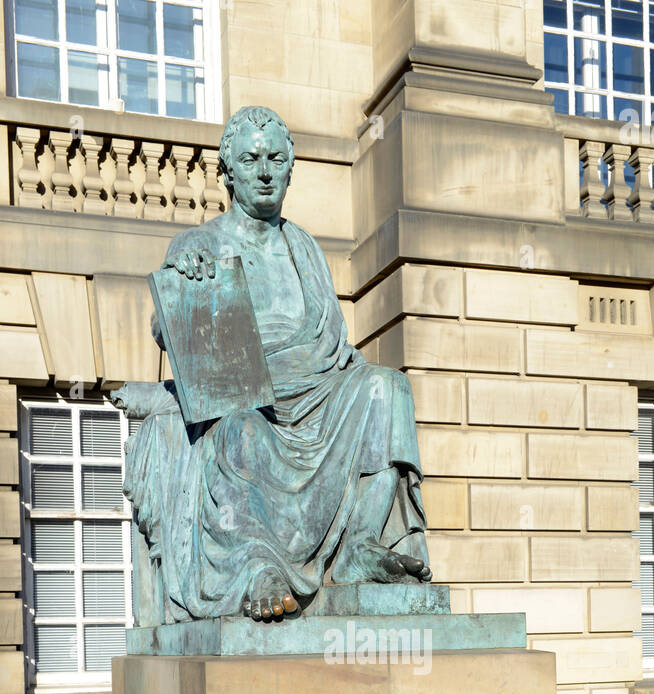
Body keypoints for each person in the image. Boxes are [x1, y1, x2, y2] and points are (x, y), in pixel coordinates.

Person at [113, 104, 430, 624]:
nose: (264, 170)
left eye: (276, 158)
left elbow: (332, 342)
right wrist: (188, 285)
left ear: (289, 169)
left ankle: (361, 544)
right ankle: (255, 566)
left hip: (319, 389)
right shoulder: (201, 243)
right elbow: (164, 327)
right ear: (228, 173)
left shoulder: (302, 245)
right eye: (250, 158)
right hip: (252, 402)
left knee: (385, 387)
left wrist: (346, 372)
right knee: (238, 432)